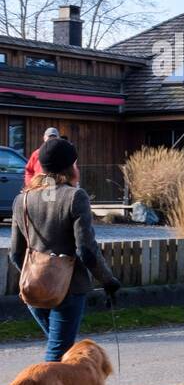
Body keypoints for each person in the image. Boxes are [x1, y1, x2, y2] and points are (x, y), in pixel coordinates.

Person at [9, 138, 120, 361]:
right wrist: (109, 281)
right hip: (68, 288)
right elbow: (87, 251)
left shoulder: (22, 199)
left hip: (33, 289)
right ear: (70, 167)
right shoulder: (75, 197)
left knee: (63, 352)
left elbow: (15, 254)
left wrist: (37, 275)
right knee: (58, 355)